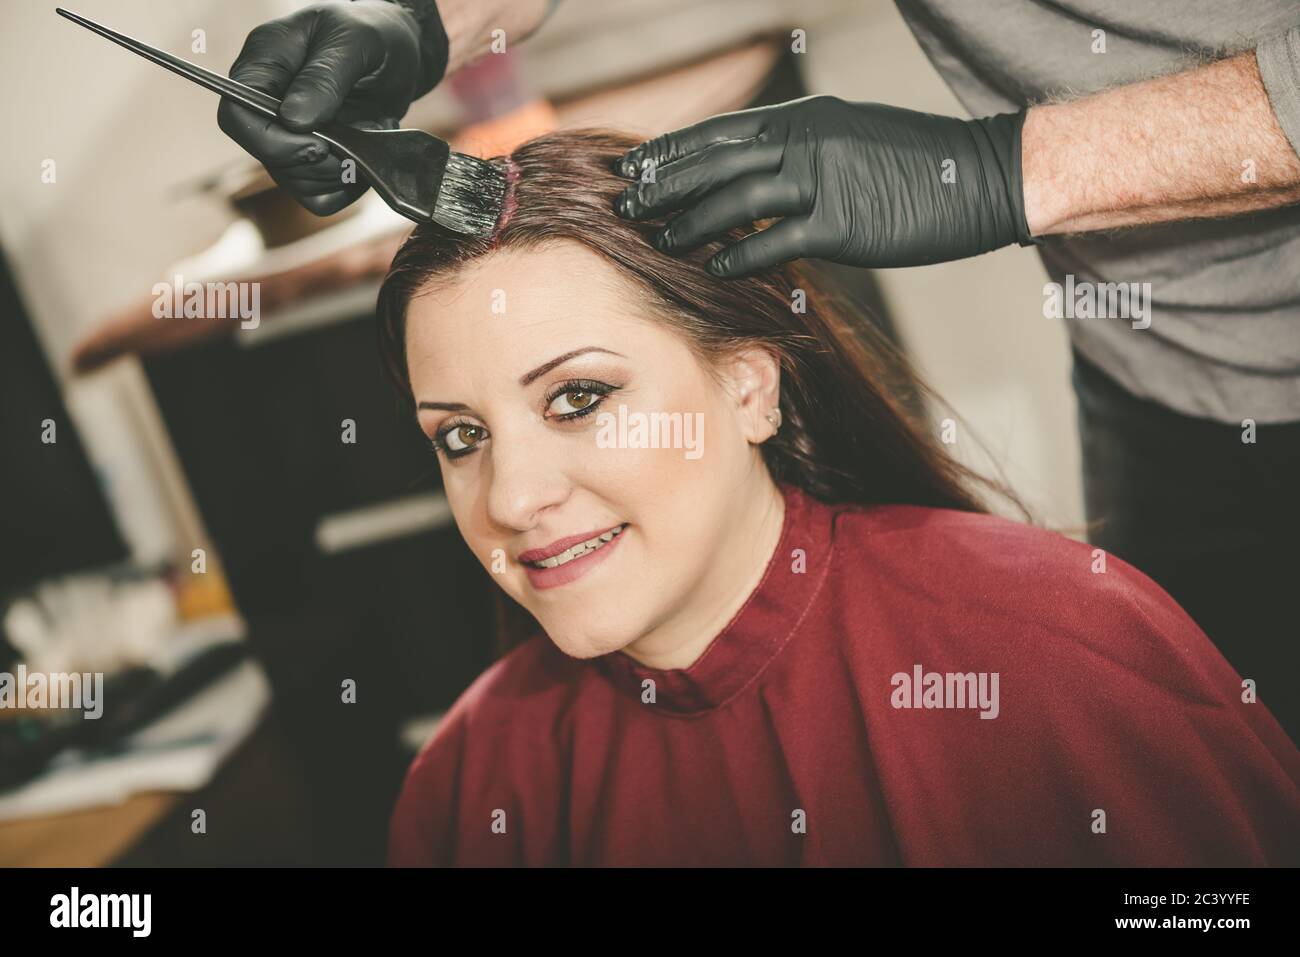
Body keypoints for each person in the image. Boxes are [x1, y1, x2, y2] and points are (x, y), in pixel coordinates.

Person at [376, 128, 1299, 867]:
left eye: (579, 398)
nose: (513, 496)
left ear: (749, 386)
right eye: (461, 436)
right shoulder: (469, 788)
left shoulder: (1059, 655)